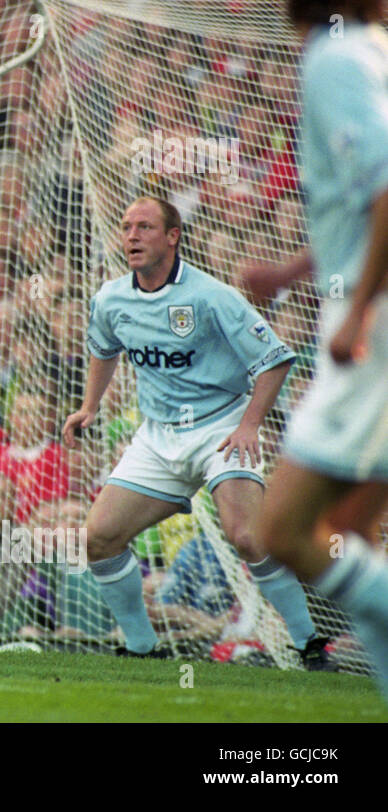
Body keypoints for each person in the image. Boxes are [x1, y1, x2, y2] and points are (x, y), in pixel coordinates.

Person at [63, 197, 329, 666]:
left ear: (173, 236)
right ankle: (141, 646)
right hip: (158, 436)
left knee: (245, 536)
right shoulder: (110, 299)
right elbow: (104, 349)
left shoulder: (212, 296)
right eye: (126, 227)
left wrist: (250, 426)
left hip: (222, 427)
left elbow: (276, 360)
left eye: (145, 227)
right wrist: (89, 406)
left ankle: (310, 643)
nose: (132, 235)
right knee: (97, 537)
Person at [242, 0, 388, 696]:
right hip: (369, 309)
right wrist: (296, 270)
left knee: (286, 530)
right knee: (353, 540)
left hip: (375, 331)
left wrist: (359, 311)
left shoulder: (333, 59)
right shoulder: (374, 48)